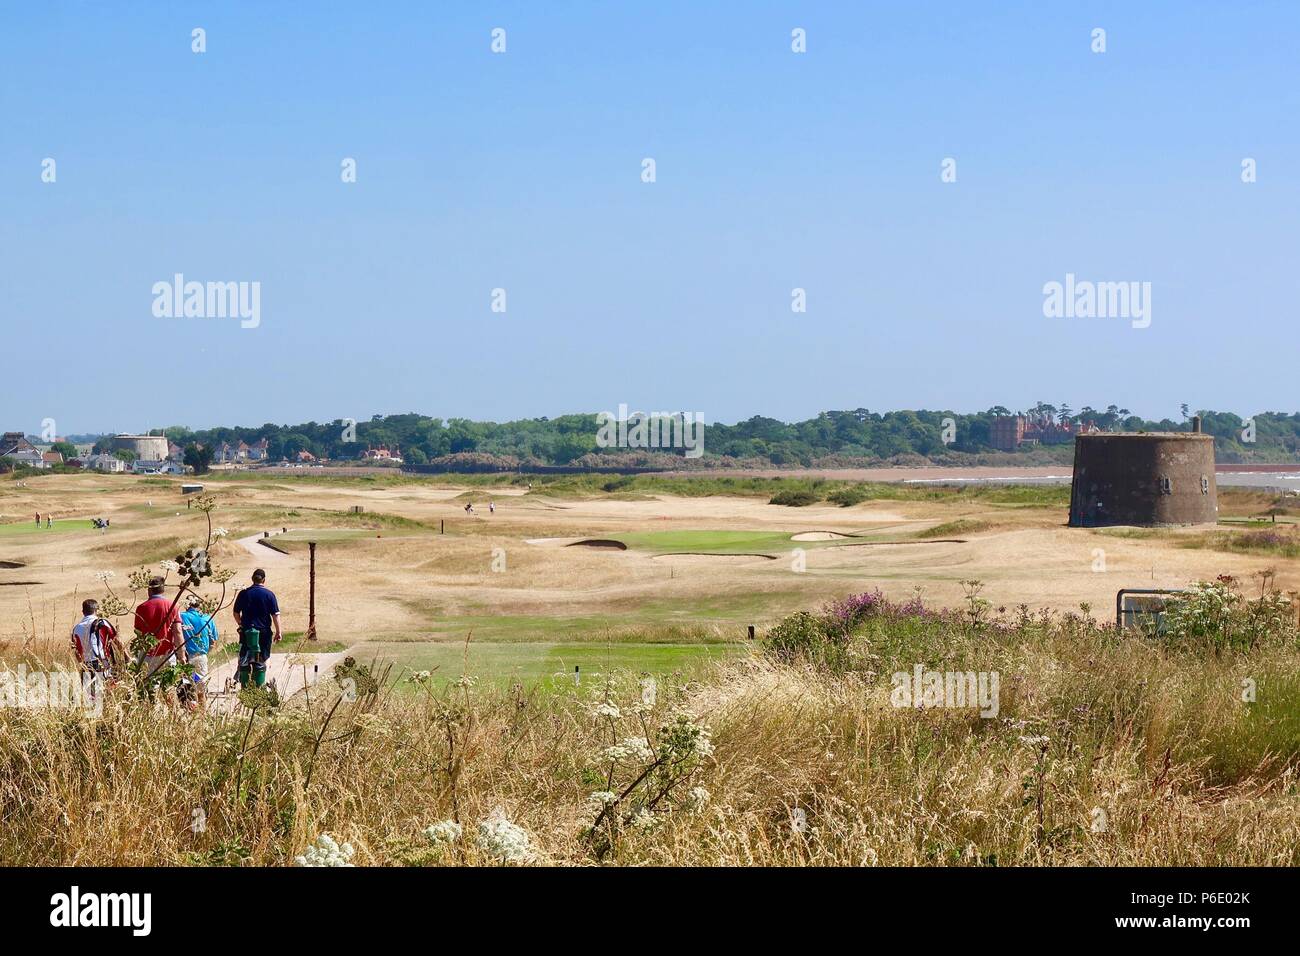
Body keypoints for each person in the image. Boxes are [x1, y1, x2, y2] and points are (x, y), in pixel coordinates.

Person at [232, 568, 281, 688]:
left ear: (252, 579)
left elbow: (236, 612)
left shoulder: (243, 593)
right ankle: (261, 682)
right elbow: (275, 615)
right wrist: (279, 631)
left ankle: (245, 681)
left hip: (247, 631)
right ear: (264, 580)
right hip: (264, 631)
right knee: (264, 657)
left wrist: (241, 624)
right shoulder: (269, 594)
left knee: (244, 655)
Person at [133, 576, 186, 680]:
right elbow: (178, 632)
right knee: (169, 688)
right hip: (167, 654)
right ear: (163, 589)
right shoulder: (173, 606)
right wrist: (182, 655)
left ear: (149, 590)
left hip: (148, 655)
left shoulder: (141, 608)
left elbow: (138, 632)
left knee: (150, 688)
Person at [71, 599, 125, 678]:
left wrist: (82, 665)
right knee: (105, 689)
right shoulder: (102, 623)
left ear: (83, 612)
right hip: (102, 664)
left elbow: (77, 653)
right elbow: (117, 641)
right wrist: (127, 658)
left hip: (86, 666)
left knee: (89, 690)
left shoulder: (76, 629)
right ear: (96, 610)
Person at [179, 595, 218, 705]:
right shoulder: (207, 618)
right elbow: (213, 641)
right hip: (201, 656)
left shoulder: (181, 617)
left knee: (186, 686)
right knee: (200, 687)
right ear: (199, 606)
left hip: (184, 657)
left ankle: (189, 711)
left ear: (187, 605)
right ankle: (202, 714)